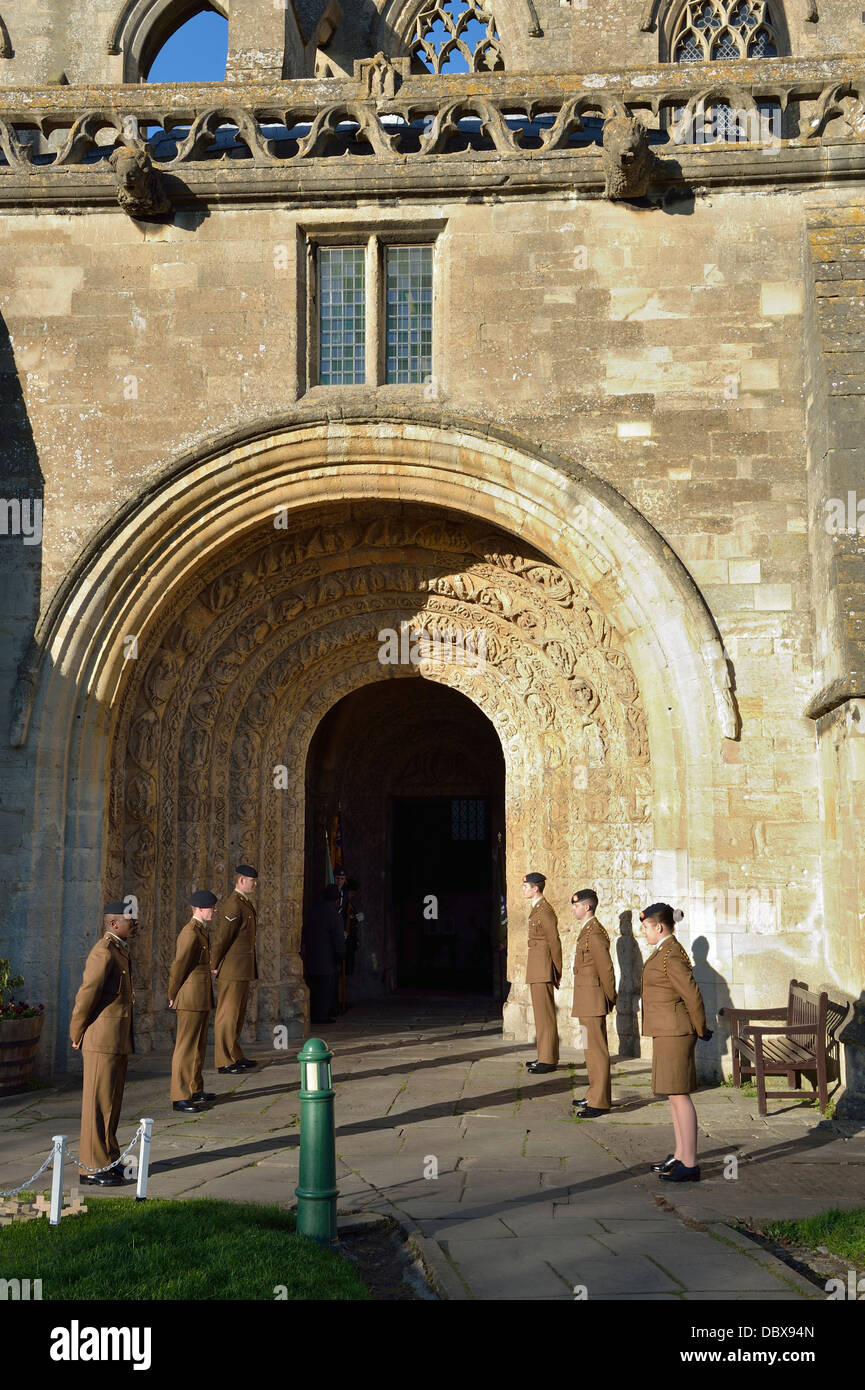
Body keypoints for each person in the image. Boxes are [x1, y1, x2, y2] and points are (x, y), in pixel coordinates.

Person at [639, 902, 713, 1182]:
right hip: (666, 1030)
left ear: (659, 927)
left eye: (646, 927)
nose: (644, 932)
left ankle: (690, 1163)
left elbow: (692, 995)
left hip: (676, 1032)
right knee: (673, 1094)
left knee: (680, 1095)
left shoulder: (671, 955)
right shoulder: (665, 951)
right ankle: (680, 1154)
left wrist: (701, 1028)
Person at [69, 900, 138, 1186]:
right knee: (97, 1105)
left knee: (111, 1103)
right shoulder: (103, 952)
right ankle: (91, 1167)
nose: (134, 923)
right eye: (129, 919)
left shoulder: (118, 949)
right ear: (113, 924)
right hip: (100, 1039)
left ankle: (108, 1158)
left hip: (115, 1038)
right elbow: (87, 994)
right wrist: (77, 1032)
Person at [168, 890, 217, 1113]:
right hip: (189, 997)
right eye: (211, 908)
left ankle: (194, 1088)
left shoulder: (200, 930)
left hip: (201, 996)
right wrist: (172, 994)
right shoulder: (190, 933)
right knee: (186, 1047)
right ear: (198, 909)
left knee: (198, 1046)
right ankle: (179, 1095)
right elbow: (179, 967)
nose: (214, 911)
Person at [570, 888, 617, 1117]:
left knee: (597, 1051)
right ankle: (593, 1093)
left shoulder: (595, 933)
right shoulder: (586, 931)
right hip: (585, 1001)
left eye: (576, 905)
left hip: (593, 1000)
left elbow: (606, 968)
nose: (573, 909)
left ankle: (600, 1101)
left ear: (587, 907)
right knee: (590, 1051)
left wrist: (609, 997)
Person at [211, 864, 259, 1074]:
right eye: (252, 880)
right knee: (227, 1015)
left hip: (242, 968)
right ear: (241, 881)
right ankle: (224, 1060)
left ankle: (234, 1054)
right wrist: (214, 963)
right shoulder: (233, 905)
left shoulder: (243, 903)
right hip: (232, 968)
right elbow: (223, 938)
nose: (255, 884)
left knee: (237, 1015)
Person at [522, 871, 562, 1074]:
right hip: (537, 967)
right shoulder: (537, 908)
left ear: (535, 888)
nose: (523, 889)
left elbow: (554, 941)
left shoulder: (544, 910)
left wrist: (557, 968)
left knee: (545, 1014)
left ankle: (548, 1059)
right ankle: (544, 1054)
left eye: (526, 886)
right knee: (540, 1014)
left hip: (543, 968)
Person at [302, 885, 345, 1023]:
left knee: (313, 987)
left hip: (310, 957)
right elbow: (338, 939)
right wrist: (341, 955)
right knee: (325, 989)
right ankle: (321, 1016)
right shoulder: (334, 916)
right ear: (337, 901)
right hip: (327, 960)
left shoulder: (312, 912)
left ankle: (312, 1014)